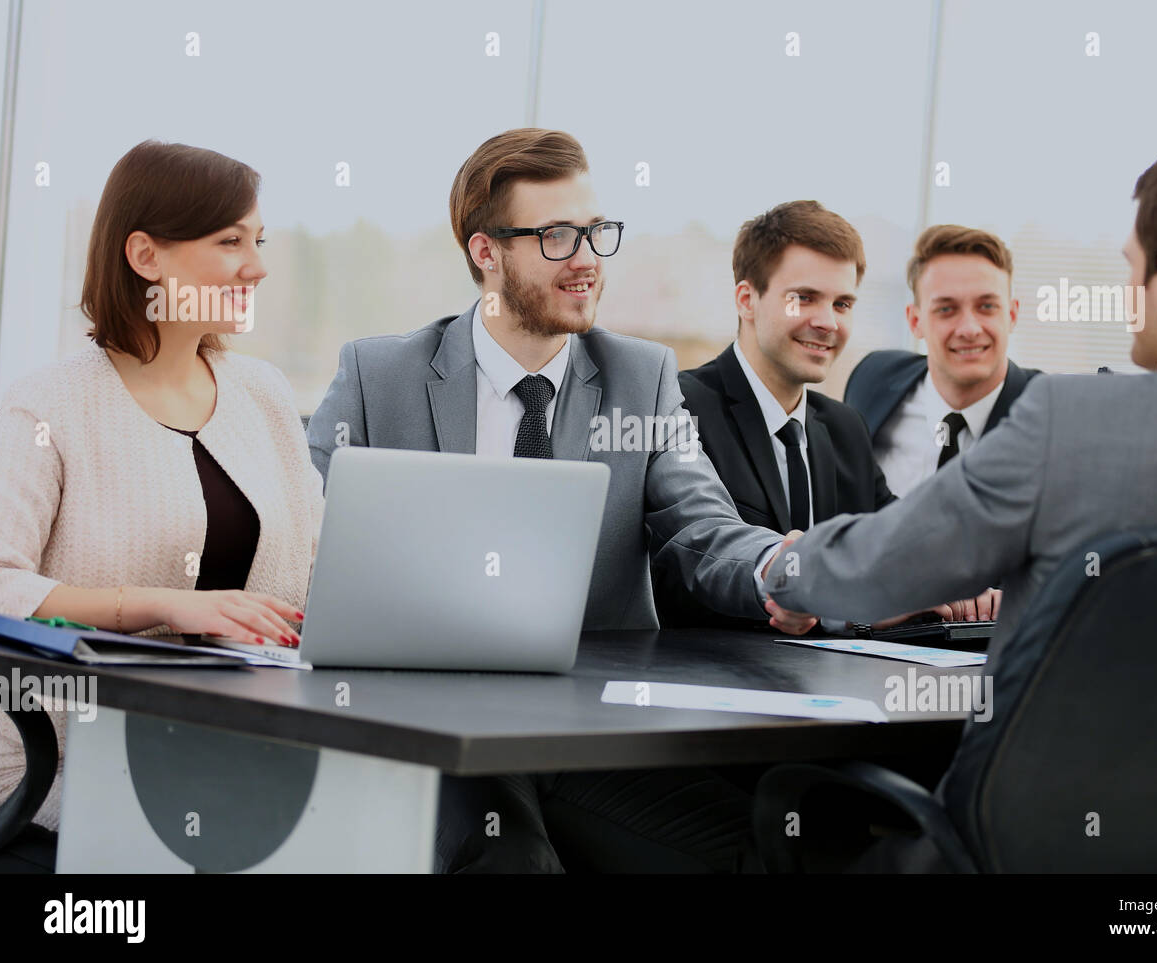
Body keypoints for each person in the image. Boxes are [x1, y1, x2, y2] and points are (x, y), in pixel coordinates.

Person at [765, 137, 1157, 870]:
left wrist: (782, 569)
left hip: (1025, 846)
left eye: (1132, 272)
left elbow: (885, 563)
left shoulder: (1068, 420)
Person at [306, 128, 818, 873]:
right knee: (514, 860)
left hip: (586, 733)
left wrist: (776, 563)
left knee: (765, 852)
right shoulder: (378, 376)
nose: (585, 260)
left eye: (594, 233)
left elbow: (700, 526)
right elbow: (302, 534)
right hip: (432, 726)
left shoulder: (639, 376)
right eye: (554, 236)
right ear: (486, 252)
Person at [0, 141, 324, 870]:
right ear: (145, 255)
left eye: (258, 241)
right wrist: (165, 605)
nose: (257, 264)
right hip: (62, 767)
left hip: (238, 754)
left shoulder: (264, 395)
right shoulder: (45, 405)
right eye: (229, 240)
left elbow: (320, 567)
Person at [657, 200, 995, 627]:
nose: (828, 322)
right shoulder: (681, 408)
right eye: (805, 298)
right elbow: (681, 572)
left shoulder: (844, 428)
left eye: (842, 304)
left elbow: (896, 543)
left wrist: (954, 581)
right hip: (714, 680)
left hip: (832, 685)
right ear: (747, 299)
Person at [844, 225, 1041, 497]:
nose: (969, 329)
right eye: (946, 309)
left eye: (987, 306)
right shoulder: (871, 378)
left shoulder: (1048, 413)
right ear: (915, 321)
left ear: (1012, 315)